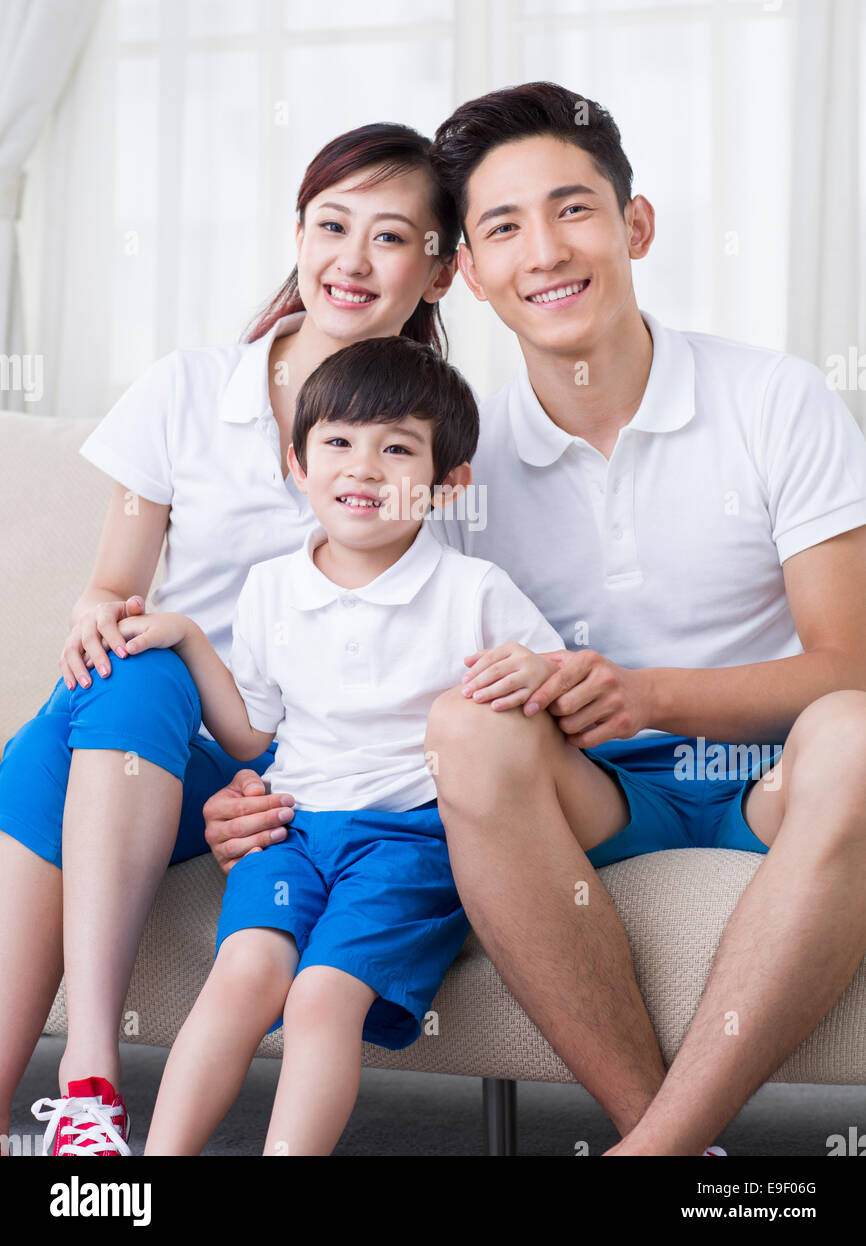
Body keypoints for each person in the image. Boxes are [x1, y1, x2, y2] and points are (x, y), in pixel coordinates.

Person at [422, 81, 866, 1156]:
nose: (545, 250)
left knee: (858, 737)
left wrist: (646, 692)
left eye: (572, 208)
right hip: (597, 795)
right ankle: (666, 1148)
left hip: (766, 783)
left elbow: (847, 662)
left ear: (634, 224)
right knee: (464, 729)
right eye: (502, 227)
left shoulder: (773, 399)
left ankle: (655, 1156)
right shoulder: (454, 456)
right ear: (469, 274)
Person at [2, 120, 460, 1158]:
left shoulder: (432, 439)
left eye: (391, 239)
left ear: (436, 273)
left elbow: (428, 649)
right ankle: (88, 1086)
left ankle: (79, 1105)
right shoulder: (186, 389)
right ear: (296, 232)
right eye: (331, 224)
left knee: (100, 709)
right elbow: (116, 590)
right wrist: (94, 609)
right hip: (152, 736)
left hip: (291, 765)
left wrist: (280, 783)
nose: (351, 259)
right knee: (134, 665)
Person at [109, 335, 563, 1156]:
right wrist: (185, 639)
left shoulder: (473, 591)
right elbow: (251, 731)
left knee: (321, 997)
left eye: (398, 448)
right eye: (340, 443)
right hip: (294, 831)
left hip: (408, 841)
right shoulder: (270, 587)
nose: (363, 467)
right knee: (243, 975)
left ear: (449, 486)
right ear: (297, 463)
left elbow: (559, 690)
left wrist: (537, 671)